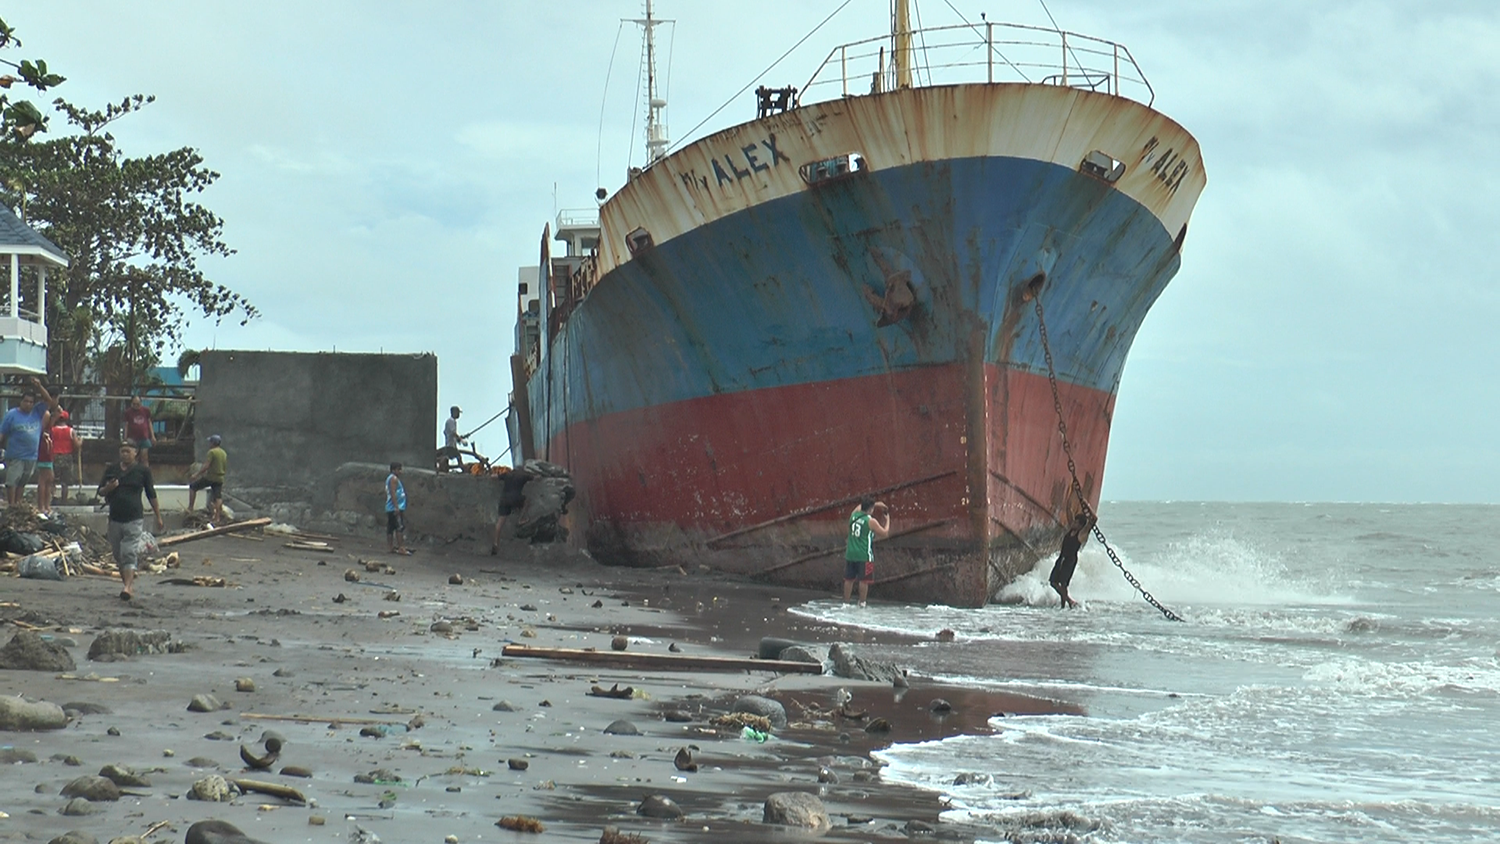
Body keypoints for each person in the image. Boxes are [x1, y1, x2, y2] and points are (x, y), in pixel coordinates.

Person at [97, 443, 163, 601]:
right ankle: (128, 584)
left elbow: (151, 494)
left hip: (134, 518)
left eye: (128, 451)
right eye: (122, 451)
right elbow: (100, 491)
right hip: (115, 519)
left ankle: (127, 587)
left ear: (136, 453)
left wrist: (158, 516)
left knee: (129, 552)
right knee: (118, 554)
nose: (125, 454)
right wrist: (109, 488)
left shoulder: (142, 471)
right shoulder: (112, 469)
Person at [0, 378, 56, 506]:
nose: (28, 404)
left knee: (22, 482)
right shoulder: (12, 415)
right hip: (16, 456)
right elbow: (2, 433)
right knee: (12, 481)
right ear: (21, 401)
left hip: (31, 456)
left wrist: (39, 386)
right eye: (26, 401)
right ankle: (12, 504)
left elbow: (49, 401)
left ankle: (18, 503)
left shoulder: (37, 412)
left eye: (31, 402)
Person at [843, 497, 890, 607]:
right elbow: (885, 533)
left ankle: (845, 603)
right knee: (864, 580)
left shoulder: (853, 515)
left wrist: (876, 504)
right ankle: (862, 603)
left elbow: (858, 507)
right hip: (865, 555)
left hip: (850, 554)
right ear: (871, 509)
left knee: (848, 579)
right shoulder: (870, 521)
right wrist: (888, 520)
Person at [1049, 512, 1096, 609]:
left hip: (1070, 561)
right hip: (1061, 558)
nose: (1073, 523)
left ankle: (1064, 606)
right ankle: (1069, 601)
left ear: (1080, 526)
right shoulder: (1071, 531)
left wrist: (1087, 506)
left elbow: (1094, 519)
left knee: (1064, 584)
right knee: (1053, 582)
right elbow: (1069, 512)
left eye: (1076, 522)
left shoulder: (1081, 534)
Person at [491, 465, 533, 554]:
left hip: (504, 499)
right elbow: (537, 478)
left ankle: (495, 544)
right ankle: (521, 518)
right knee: (527, 501)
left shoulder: (507, 475)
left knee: (500, 523)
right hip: (516, 499)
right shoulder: (523, 475)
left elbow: (493, 477)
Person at [188, 434, 228, 524]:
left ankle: (190, 508)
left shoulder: (212, 452)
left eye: (210, 442)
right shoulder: (223, 453)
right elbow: (225, 466)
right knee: (218, 497)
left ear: (213, 443)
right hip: (220, 478)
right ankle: (217, 517)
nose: (209, 444)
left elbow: (206, 465)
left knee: (193, 487)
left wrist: (196, 474)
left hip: (211, 477)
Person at [50, 409, 81, 506]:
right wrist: (81, 442)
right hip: (67, 457)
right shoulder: (71, 431)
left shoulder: (52, 430)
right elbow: (76, 445)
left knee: (52, 480)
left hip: (54, 456)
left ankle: (52, 498)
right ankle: (64, 500)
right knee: (65, 482)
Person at [385, 461, 411, 555]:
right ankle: (401, 548)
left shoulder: (391, 479)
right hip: (394, 507)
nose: (400, 472)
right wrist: (396, 507)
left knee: (391, 528)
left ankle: (390, 547)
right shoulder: (393, 479)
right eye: (399, 469)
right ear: (393, 470)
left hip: (391, 507)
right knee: (399, 527)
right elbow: (393, 493)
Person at [123, 395, 155, 467]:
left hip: (144, 437)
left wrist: (152, 436)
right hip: (132, 438)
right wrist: (125, 437)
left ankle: (146, 474)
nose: (136, 406)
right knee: (133, 458)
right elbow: (126, 425)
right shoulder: (128, 412)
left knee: (144, 457)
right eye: (134, 404)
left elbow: (149, 423)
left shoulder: (146, 411)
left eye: (138, 404)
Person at [439, 406, 466, 472]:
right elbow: (453, 433)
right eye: (458, 413)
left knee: (447, 457)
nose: (459, 415)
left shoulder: (450, 421)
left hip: (450, 444)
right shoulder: (451, 421)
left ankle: (443, 469)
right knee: (458, 457)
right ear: (454, 413)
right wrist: (461, 440)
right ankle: (464, 470)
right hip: (451, 445)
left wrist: (458, 439)